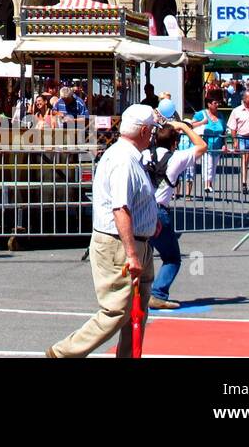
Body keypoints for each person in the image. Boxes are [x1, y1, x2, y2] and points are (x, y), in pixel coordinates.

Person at [47, 104, 158, 359]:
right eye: (151, 130)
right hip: (120, 244)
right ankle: (63, 353)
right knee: (116, 311)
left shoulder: (128, 157)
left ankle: (128, 356)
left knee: (136, 311)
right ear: (143, 130)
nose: (152, 135)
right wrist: (131, 253)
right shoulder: (123, 160)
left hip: (136, 241)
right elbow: (121, 208)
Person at [143, 117, 207, 310]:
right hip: (159, 211)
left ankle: (136, 294)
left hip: (141, 209)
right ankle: (158, 294)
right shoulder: (176, 158)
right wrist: (184, 128)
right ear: (174, 143)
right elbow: (202, 146)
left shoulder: (146, 154)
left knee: (142, 255)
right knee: (171, 257)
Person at [192, 95, 227, 195]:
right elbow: (191, 124)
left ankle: (210, 184)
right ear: (209, 104)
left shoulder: (220, 116)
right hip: (206, 144)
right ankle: (206, 185)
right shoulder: (201, 114)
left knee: (214, 165)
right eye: (215, 103)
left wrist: (224, 145)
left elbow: (224, 131)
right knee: (208, 164)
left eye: (218, 103)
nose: (217, 105)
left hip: (218, 144)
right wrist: (203, 122)